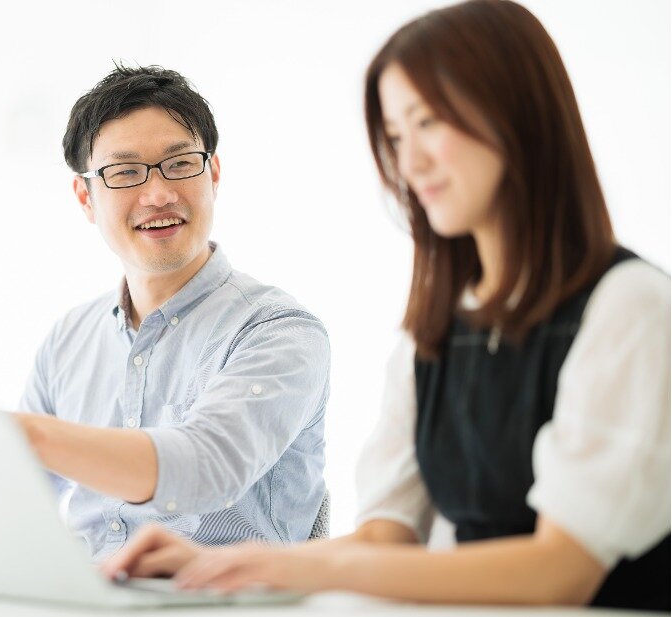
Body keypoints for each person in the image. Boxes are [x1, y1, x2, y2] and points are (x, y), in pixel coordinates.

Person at [101, 1, 671, 610]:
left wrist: (269, 563)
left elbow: (561, 572)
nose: (409, 161)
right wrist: (216, 564)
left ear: (520, 117)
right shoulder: (439, 328)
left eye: (428, 123)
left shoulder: (628, 308)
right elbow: (385, 538)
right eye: (396, 136)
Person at [14, 65, 330, 562]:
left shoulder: (278, 331)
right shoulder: (68, 339)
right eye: (124, 172)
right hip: (87, 592)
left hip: (225, 596)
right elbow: (15, 500)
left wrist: (30, 436)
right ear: (85, 198)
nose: (158, 195)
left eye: (180, 164)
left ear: (214, 174)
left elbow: (207, 468)